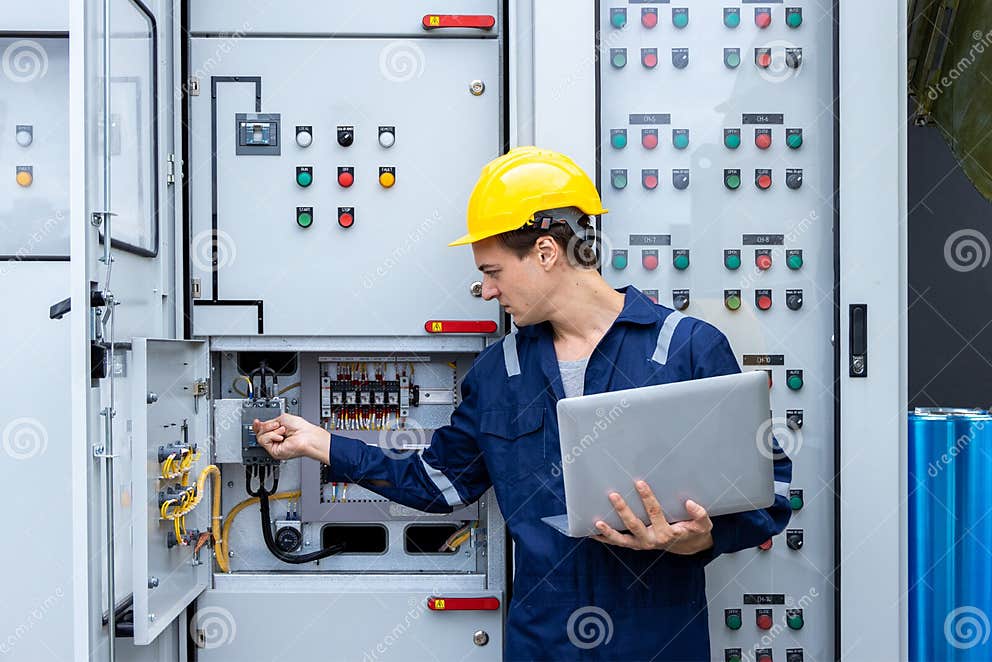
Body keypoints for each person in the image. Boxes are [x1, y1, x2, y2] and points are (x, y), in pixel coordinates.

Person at [253, 147, 793, 660]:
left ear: (545, 252)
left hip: (657, 642)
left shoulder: (686, 348)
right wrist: (323, 444)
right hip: (544, 643)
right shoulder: (499, 373)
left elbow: (773, 492)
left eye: (492, 272)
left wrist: (700, 539)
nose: (486, 291)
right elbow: (440, 483)